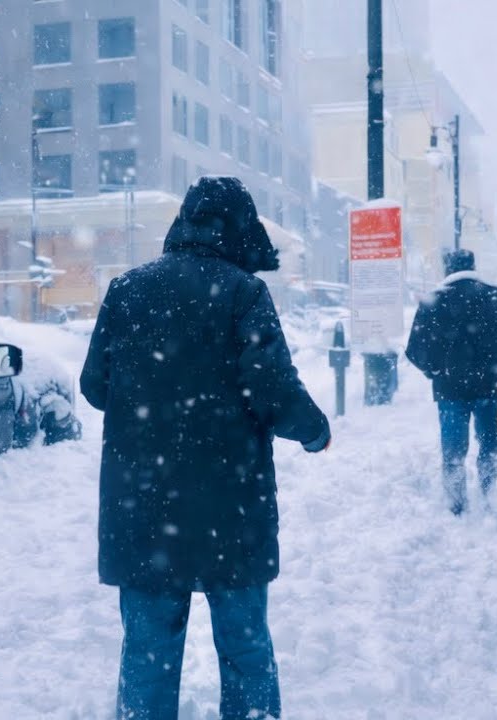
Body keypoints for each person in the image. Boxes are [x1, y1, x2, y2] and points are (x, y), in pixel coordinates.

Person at [81, 176, 330, 720]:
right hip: (229, 505)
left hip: (142, 504)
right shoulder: (243, 291)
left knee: (149, 652)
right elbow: (270, 386)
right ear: (238, 226)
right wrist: (313, 429)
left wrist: (153, 405)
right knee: (243, 647)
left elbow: (94, 386)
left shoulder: (127, 289)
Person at [405, 249, 497, 514]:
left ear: (448, 269)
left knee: (453, 448)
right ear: (473, 265)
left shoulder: (433, 300)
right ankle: (488, 492)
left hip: (449, 389)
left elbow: (415, 350)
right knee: (490, 442)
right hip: (491, 386)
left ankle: (456, 502)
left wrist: (434, 370)